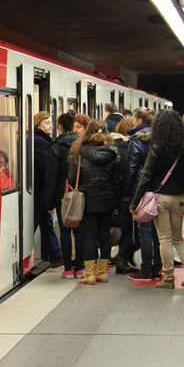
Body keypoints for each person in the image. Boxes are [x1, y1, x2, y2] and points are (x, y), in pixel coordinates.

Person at [131, 109, 184, 289]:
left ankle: (168, 277)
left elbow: (146, 175)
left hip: (160, 198)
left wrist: (135, 202)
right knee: (178, 238)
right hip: (179, 198)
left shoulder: (157, 147)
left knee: (165, 239)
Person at [67, 121, 121, 285]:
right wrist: (116, 202)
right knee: (105, 234)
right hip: (107, 199)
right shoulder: (113, 155)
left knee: (88, 235)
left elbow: (71, 178)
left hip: (86, 200)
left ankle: (89, 274)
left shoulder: (80, 154)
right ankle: (103, 272)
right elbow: (118, 181)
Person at [121, 108, 160, 281]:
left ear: (137, 120)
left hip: (142, 190)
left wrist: (127, 193)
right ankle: (157, 267)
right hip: (160, 190)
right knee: (158, 232)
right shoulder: (161, 136)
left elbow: (131, 168)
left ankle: (145, 269)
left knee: (144, 230)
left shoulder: (137, 139)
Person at [44, 112, 85, 278]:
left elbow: (51, 176)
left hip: (64, 195)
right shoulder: (82, 144)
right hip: (81, 194)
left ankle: (68, 268)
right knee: (81, 231)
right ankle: (80, 267)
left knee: (65, 231)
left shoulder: (56, 147)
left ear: (60, 127)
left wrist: (49, 203)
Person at [33, 111, 63, 267]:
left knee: (44, 222)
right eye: (46, 123)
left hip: (41, 189)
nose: (50, 125)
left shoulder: (42, 140)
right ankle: (55, 256)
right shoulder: (39, 142)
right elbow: (46, 166)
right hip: (40, 189)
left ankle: (56, 256)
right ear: (38, 125)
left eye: (51, 122)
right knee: (42, 222)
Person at [110, 116, 136, 273]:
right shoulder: (127, 148)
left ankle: (123, 257)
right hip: (123, 196)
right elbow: (126, 173)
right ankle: (122, 258)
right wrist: (125, 194)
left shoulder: (115, 145)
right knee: (130, 228)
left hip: (117, 195)